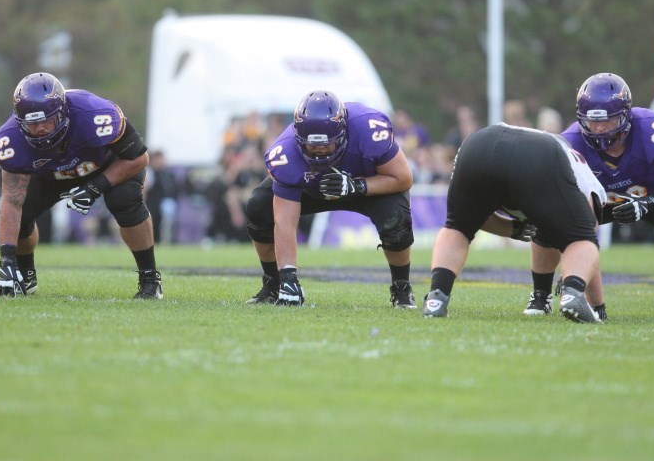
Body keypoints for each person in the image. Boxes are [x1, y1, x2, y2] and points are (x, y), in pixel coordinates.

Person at [523, 73, 654, 321]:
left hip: (652, 196)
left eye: (608, 121)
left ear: (626, 115)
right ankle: (541, 295)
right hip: (596, 200)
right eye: (593, 122)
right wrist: (597, 306)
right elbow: (583, 231)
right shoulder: (569, 144)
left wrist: (649, 202)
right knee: (549, 223)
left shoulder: (652, 128)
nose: (600, 129)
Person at [0, 72, 161, 299]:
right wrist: (6, 259)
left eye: (45, 120)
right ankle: (22, 273)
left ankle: (149, 279)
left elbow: (139, 158)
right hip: (51, 173)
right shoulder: (10, 140)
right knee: (23, 212)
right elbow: (11, 201)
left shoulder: (94, 113)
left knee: (124, 200)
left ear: (62, 113)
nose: (39, 129)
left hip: (106, 165)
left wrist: (96, 186)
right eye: (32, 123)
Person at [244, 90, 417, 308]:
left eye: (326, 144)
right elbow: (284, 223)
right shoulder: (286, 153)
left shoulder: (367, 127)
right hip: (311, 189)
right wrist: (289, 277)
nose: (319, 152)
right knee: (259, 206)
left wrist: (356, 185)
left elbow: (403, 178)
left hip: (366, 186)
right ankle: (275, 285)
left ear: (343, 132)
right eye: (311, 145)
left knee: (397, 218)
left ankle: (402, 287)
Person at [422, 123, 606, 323]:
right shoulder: (590, 186)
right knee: (583, 238)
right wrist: (598, 305)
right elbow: (584, 242)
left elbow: (476, 216)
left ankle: (436, 299)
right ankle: (572, 295)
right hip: (538, 153)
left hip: (479, 142)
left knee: (458, 226)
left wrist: (513, 229)